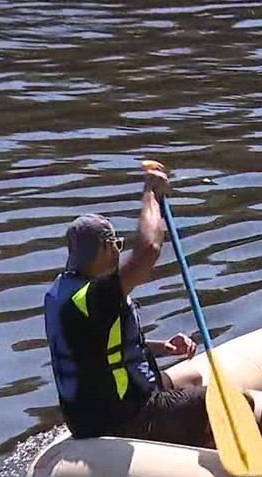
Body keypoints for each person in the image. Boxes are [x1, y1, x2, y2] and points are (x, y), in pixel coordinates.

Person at [43, 163, 214, 446]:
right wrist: (150, 193)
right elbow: (149, 249)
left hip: (89, 414)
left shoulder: (63, 291)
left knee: (193, 376)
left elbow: (97, 351)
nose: (118, 252)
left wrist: (161, 347)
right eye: (117, 244)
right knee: (238, 401)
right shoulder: (93, 297)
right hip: (125, 416)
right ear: (106, 246)